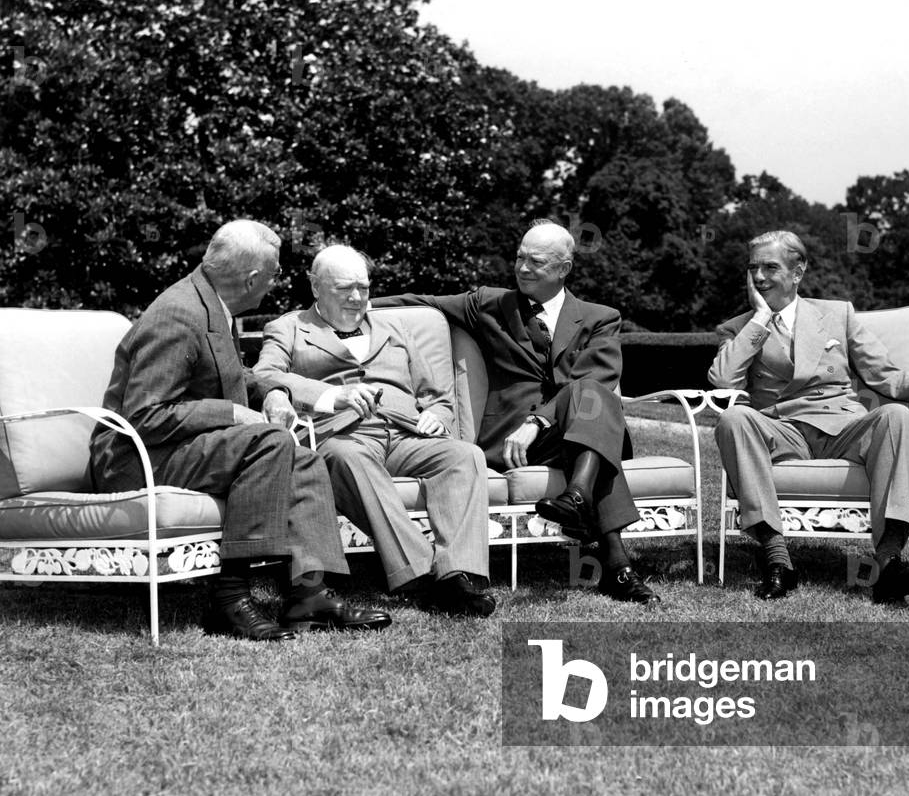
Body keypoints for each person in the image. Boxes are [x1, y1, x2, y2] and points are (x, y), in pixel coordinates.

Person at [90, 220, 392, 640]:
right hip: (134, 459)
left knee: (304, 457)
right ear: (252, 279)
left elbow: (234, 375)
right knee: (269, 441)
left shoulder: (213, 306)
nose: (275, 282)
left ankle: (309, 595)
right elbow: (145, 415)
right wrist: (233, 413)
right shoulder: (177, 315)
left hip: (179, 447)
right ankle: (229, 598)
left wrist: (271, 393)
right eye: (274, 274)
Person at [374, 221, 659, 605]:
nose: (522, 268)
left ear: (564, 268)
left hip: (572, 429)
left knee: (591, 391)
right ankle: (615, 565)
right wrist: (345, 304)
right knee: (593, 435)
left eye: (536, 261)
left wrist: (538, 420)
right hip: (510, 441)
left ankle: (577, 498)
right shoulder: (489, 303)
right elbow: (422, 302)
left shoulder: (600, 318)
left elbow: (598, 381)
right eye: (520, 257)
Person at [708, 230, 909, 603]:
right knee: (733, 419)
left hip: (843, 427)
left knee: (896, 416)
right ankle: (777, 560)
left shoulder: (838, 314)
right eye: (753, 267)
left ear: (798, 271)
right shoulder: (738, 329)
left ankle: (888, 563)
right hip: (782, 431)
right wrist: (760, 319)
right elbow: (722, 382)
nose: (759, 277)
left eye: (770, 267)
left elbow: (889, 378)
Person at [253, 245, 496, 617]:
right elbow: (266, 374)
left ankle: (457, 574)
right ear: (316, 287)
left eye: (364, 288)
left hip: (404, 432)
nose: (357, 298)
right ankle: (425, 575)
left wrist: (436, 414)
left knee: (465, 456)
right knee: (348, 457)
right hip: (340, 434)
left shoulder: (394, 326)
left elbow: (435, 393)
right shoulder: (289, 327)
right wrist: (332, 395)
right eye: (345, 289)